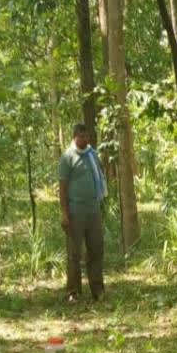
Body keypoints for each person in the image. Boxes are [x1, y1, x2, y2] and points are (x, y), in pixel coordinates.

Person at [58, 123, 107, 302]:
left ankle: (97, 290)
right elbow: (62, 188)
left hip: (93, 209)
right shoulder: (67, 157)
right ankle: (73, 292)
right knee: (74, 253)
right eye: (81, 136)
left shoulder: (91, 154)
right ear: (74, 137)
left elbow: (99, 177)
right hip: (75, 211)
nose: (85, 139)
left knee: (96, 249)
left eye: (86, 136)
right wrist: (64, 214)